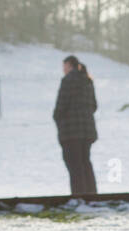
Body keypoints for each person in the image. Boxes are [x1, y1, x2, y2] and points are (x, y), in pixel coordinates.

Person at [53, 55, 98, 196]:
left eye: (64, 66)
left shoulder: (68, 81)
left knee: (74, 165)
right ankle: (92, 194)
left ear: (70, 65)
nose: (63, 70)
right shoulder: (87, 81)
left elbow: (61, 105)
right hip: (88, 131)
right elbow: (94, 105)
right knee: (85, 162)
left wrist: (58, 119)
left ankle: (78, 195)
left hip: (71, 131)